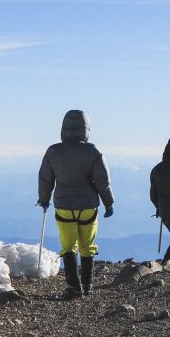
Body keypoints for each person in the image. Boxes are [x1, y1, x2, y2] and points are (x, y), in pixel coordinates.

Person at [37, 109, 114, 299]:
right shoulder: (93, 151)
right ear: (86, 129)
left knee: (68, 245)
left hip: (63, 206)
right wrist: (109, 203)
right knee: (87, 245)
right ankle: (87, 286)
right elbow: (103, 182)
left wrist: (44, 199)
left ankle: (74, 287)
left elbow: (46, 179)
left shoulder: (53, 151)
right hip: (88, 207)